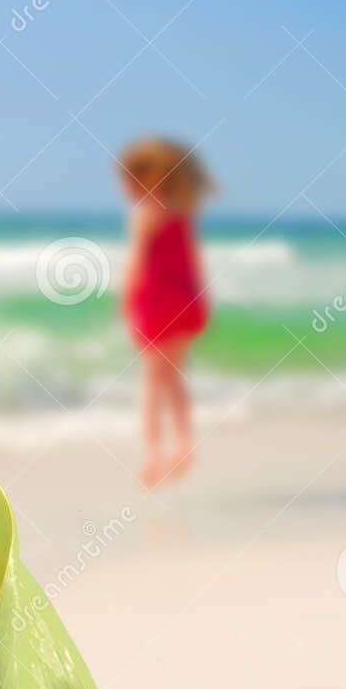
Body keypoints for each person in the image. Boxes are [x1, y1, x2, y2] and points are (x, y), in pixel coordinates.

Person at [117, 136, 212, 487]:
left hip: (155, 303)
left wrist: (125, 301)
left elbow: (136, 263)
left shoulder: (145, 213)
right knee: (174, 378)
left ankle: (152, 454)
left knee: (150, 382)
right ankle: (184, 445)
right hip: (184, 301)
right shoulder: (182, 213)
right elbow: (192, 260)